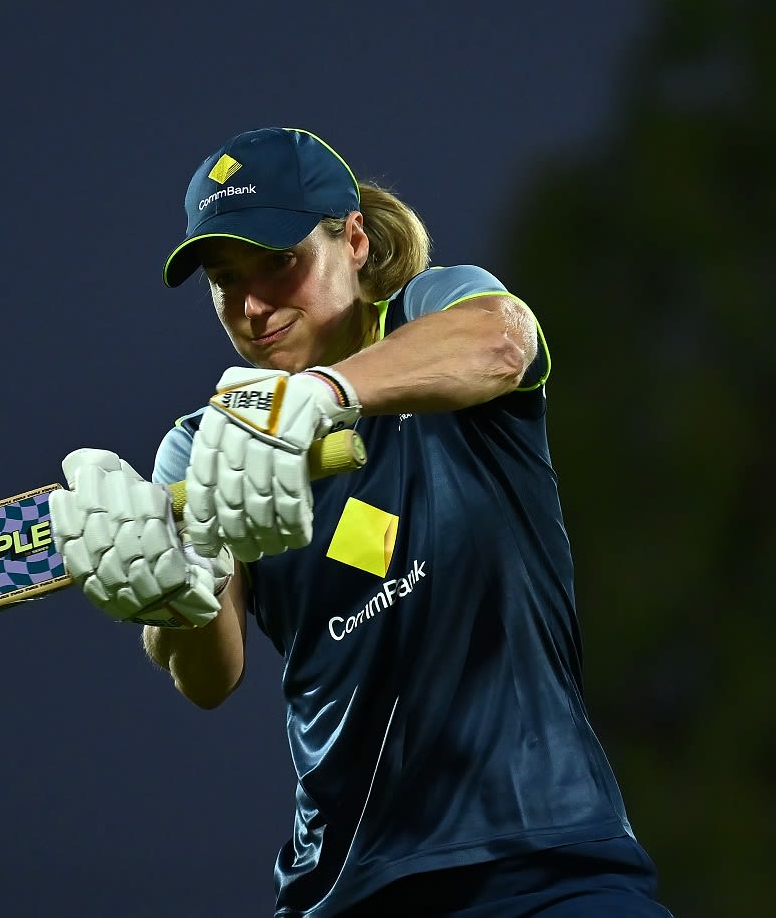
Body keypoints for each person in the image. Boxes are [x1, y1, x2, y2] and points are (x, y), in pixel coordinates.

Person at [48, 127, 672, 917]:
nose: (252, 306)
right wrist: (177, 597)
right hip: (346, 892)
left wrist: (321, 395)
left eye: (278, 262)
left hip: (545, 864)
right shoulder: (201, 445)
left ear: (354, 239)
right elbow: (210, 675)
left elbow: (502, 340)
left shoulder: (432, 310)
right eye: (223, 280)